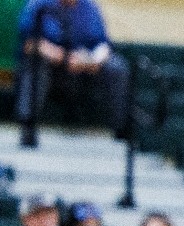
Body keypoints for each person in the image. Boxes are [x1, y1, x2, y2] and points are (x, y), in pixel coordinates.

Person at [14, 0, 128, 138]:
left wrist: (94, 61)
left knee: (116, 67)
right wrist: (63, 58)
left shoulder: (90, 7)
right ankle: (27, 125)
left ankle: (121, 129)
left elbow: (102, 43)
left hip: (85, 68)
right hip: (53, 66)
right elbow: (29, 43)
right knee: (35, 64)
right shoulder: (39, 4)